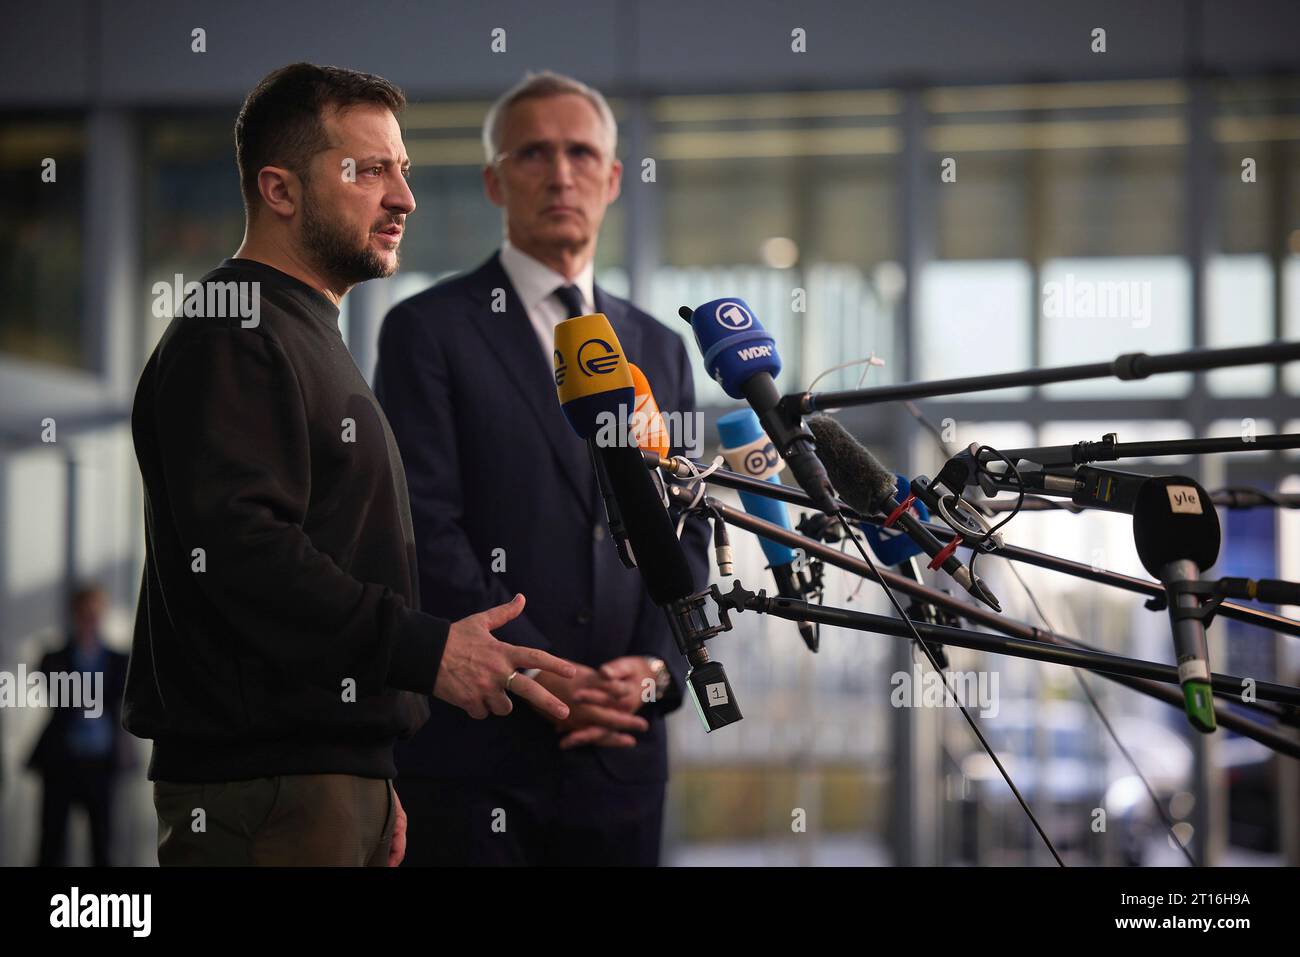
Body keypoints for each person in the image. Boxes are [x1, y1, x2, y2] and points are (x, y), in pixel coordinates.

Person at [124, 62, 574, 867]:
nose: (402, 196)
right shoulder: (233, 331)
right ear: (281, 190)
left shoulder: (301, 331)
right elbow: (243, 555)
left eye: (401, 169)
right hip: (274, 787)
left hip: (321, 778)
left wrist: (366, 759)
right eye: (369, 170)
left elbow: (323, 560)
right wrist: (426, 653)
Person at [375, 71, 710, 866]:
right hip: (481, 752)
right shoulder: (427, 330)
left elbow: (687, 530)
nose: (560, 173)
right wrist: (551, 679)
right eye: (533, 154)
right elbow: (426, 529)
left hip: (621, 754)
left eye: (580, 152)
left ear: (613, 177)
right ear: (495, 179)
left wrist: (658, 668)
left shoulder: (659, 347)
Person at [27, 585, 131, 866]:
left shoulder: (118, 660)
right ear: (75, 614)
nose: (91, 617)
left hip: (100, 761)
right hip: (62, 760)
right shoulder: (54, 658)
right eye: (85, 611)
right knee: (51, 843)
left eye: (96, 611)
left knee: (103, 843)